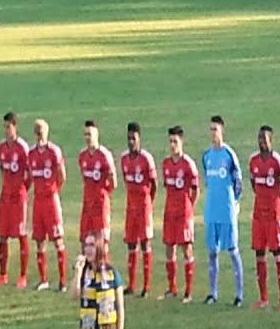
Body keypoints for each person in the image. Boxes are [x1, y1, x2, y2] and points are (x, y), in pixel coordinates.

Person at [200, 116, 244, 307]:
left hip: (227, 212)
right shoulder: (207, 156)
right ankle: (213, 293)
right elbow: (208, 182)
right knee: (212, 253)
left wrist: (234, 204)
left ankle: (239, 294)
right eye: (210, 129)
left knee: (233, 252)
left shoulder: (229, 155)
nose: (213, 133)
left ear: (222, 131)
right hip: (211, 211)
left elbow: (238, 183)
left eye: (215, 129)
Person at [248, 125, 280, 311]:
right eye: (259, 139)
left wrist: (276, 203)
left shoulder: (277, 161)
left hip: (273, 215)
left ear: (271, 140)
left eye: (264, 139)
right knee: (259, 254)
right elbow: (253, 183)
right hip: (258, 214)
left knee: (278, 253)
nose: (261, 142)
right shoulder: (253, 161)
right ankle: (263, 298)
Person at [160, 126, 199, 302]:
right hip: (169, 212)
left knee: (186, 249)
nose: (172, 145)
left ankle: (188, 292)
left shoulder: (188, 164)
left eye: (175, 141)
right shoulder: (166, 164)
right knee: (169, 249)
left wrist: (190, 207)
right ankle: (172, 288)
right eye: (170, 142)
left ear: (182, 142)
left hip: (184, 213)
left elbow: (195, 189)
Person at [27, 118, 67, 291]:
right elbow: (30, 175)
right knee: (39, 241)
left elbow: (62, 175)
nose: (39, 133)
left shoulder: (54, 151)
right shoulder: (31, 154)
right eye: (37, 131)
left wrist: (53, 190)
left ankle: (63, 281)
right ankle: (43, 279)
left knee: (57, 240)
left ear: (47, 132)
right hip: (38, 201)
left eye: (41, 130)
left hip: (51, 200)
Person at [0, 112, 31, 288]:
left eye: (9, 127)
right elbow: (3, 170)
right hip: (5, 196)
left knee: (21, 234)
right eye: (4, 127)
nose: (6, 130)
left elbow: (29, 173)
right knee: (3, 235)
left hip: (19, 197)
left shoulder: (22, 148)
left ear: (15, 127)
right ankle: (3, 274)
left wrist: (22, 189)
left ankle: (23, 275)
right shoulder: (1, 148)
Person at [121, 122, 157, 298]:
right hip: (130, 208)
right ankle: (132, 284)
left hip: (143, 207)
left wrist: (149, 202)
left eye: (133, 139)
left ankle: (146, 286)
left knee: (145, 243)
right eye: (128, 139)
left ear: (139, 139)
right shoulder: (124, 159)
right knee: (131, 244)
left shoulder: (146, 159)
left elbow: (154, 184)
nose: (130, 142)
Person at [78, 120, 117, 241]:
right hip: (87, 205)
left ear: (97, 135)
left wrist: (102, 194)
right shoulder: (82, 155)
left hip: (100, 205)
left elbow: (113, 182)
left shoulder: (104, 155)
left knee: (101, 242)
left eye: (90, 134)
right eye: (85, 134)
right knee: (86, 241)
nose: (87, 138)